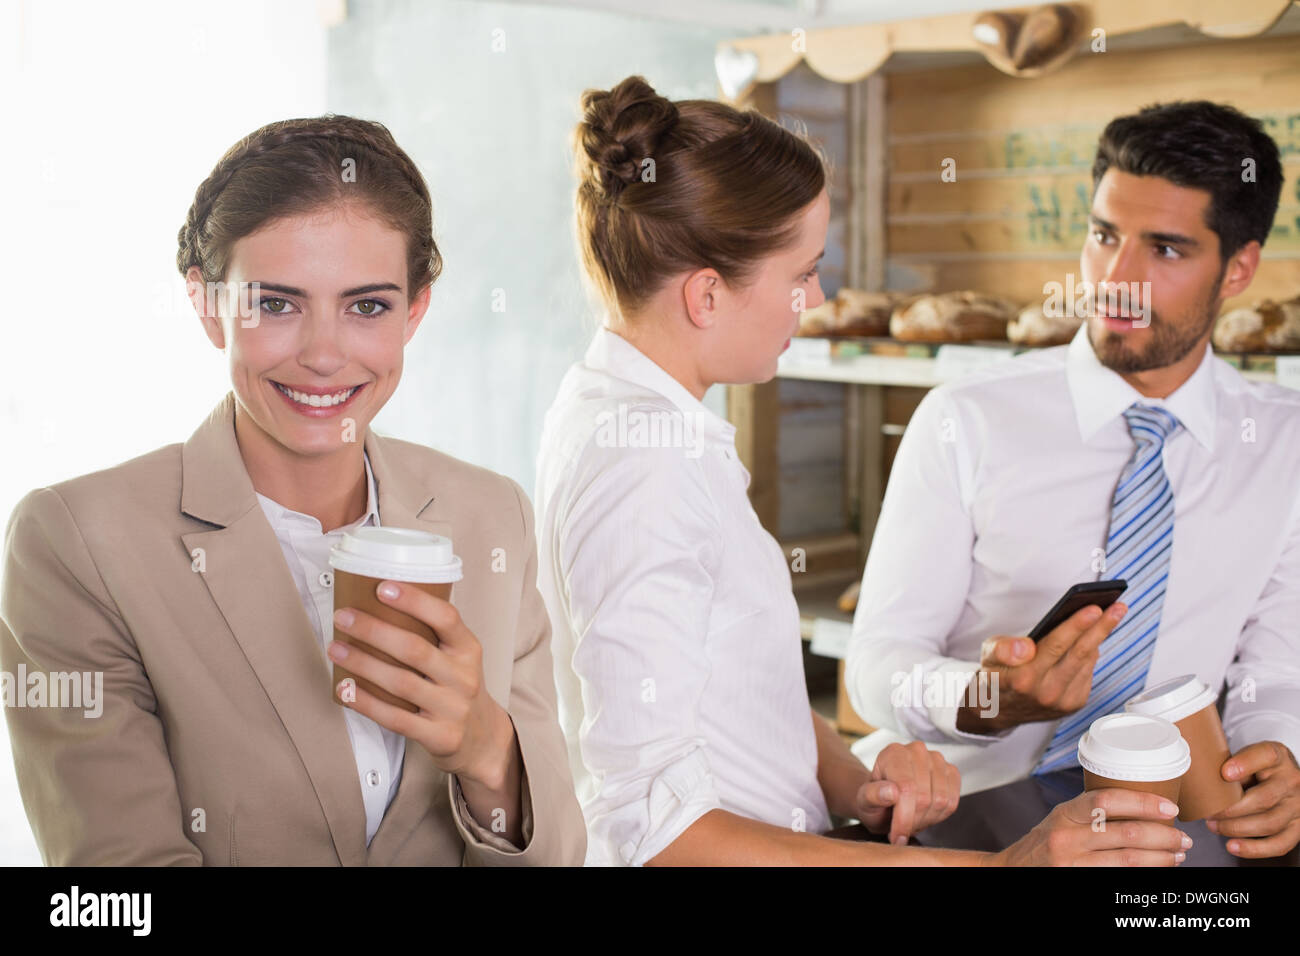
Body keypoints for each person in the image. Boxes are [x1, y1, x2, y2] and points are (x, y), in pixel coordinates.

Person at [533, 75, 1191, 865]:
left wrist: (854, 783)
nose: (814, 296)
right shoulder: (641, 468)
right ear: (708, 295)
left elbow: (732, 690)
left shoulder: (653, 427)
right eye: (801, 274)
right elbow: (655, 834)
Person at [0, 115, 585, 865]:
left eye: (366, 306)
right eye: (275, 304)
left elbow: (559, 853)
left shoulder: (491, 517)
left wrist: (487, 752)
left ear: (415, 311)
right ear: (209, 306)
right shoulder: (79, 542)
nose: (322, 354)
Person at [846, 100, 1300, 859]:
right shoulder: (966, 419)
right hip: (969, 818)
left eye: (1165, 249)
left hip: (1175, 830)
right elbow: (876, 667)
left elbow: (1277, 664)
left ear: (1239, 269)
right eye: (1103, 236)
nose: (1116, 279)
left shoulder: (1284, 439)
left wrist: (1281, 756)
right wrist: (988, 699)